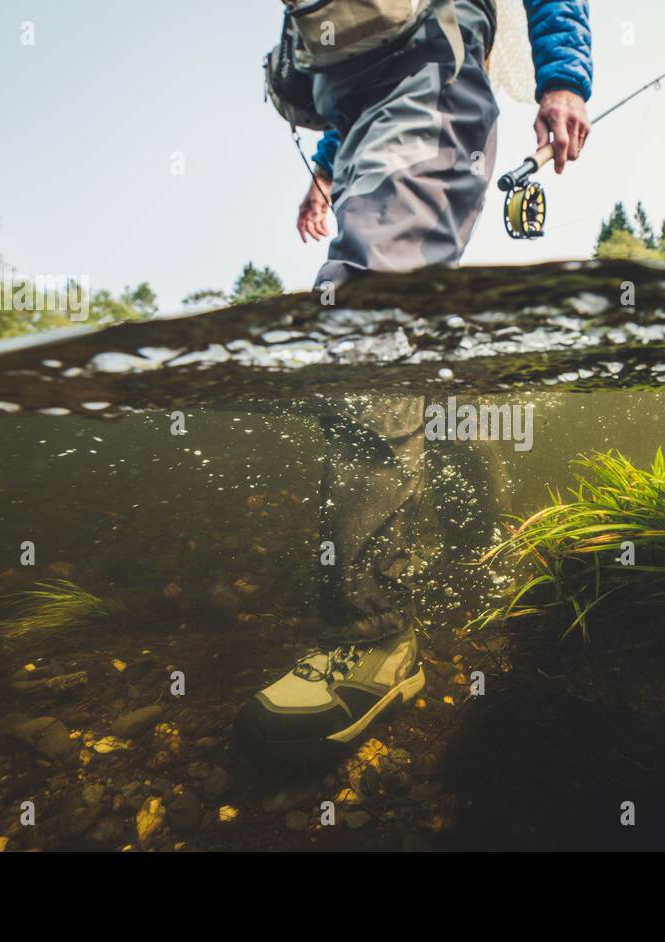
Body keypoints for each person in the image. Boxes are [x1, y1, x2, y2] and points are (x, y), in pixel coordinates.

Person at [236, 0, 592, 751]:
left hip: (436, 79)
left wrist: (564, 77)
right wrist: (329, 166)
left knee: (366, 312)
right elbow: (364, 63)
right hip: (371, 109)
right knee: (414, 336)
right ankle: (487, 553)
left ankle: (372, 639)